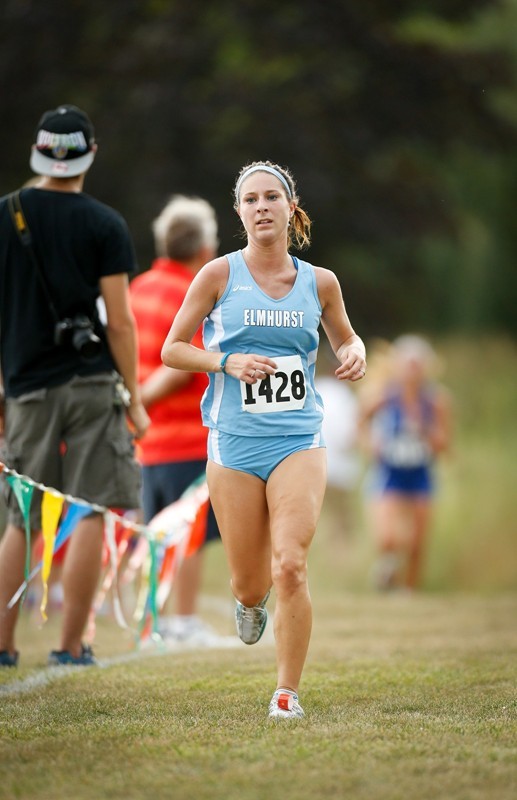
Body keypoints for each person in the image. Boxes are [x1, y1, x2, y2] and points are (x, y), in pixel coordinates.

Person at [161, 160, 366, 719]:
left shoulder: (320, 281)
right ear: (239, 213)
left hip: (300, 437)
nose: (261, 207)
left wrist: (354, 354)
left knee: (291, 565)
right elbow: (173, 349)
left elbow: (349, 340)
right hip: (233, 443)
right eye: (250, 200)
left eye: (271, 197)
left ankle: (285, 693)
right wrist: (225, 362)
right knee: (252, 585)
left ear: (290, 207)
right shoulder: (218, 276)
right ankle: (248, 603)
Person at [0, 104, 149, 667]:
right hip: (90, 385)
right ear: (91, 153)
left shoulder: (3, 215)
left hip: (25, 390)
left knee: (21, 517)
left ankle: (3, 645)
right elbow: (120, 320)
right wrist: (134, 398)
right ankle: (70, 644)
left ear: (38, 152)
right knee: (90, 508)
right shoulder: (105, 223)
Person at [129, 195, 224, 646]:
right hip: (185, 437)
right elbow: (181, 360)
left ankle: (155, 624)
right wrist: (146, 396)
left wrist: (134, 404)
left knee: (158, 534)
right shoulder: (191, 293)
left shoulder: (137, 288)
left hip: (146, 441)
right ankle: (184, 622)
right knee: (190, 534)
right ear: (204, 249)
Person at [358, 335, 452, 592]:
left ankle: (409, 592)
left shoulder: (436, 401)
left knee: (417, 542)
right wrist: (370, 444)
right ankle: (386, 568)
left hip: (420, 473)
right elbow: (360, 424)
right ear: (397, 366)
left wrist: (429, 433)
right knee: (388, 537)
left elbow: (445, 443)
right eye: (408, 365)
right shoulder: (384, 397)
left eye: (417, 365)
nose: (413, 371)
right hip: (389, 472)